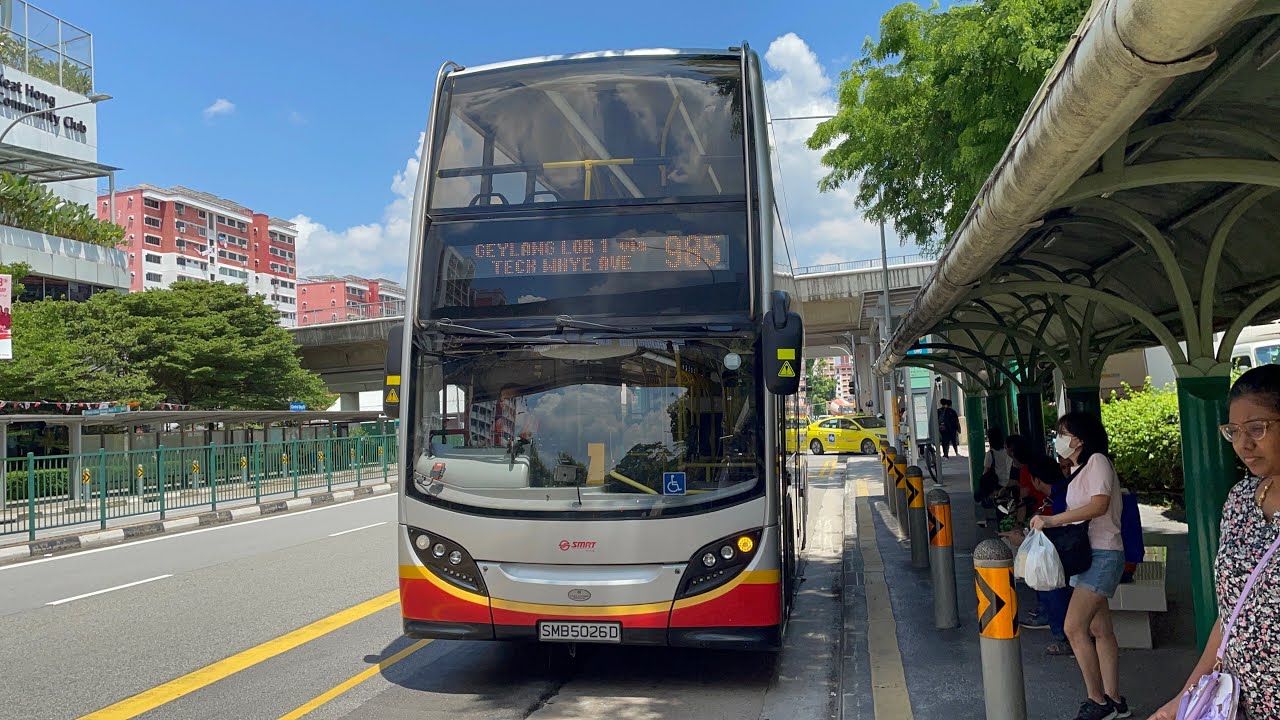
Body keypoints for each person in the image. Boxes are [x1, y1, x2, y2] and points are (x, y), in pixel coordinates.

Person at [1149, 364, 1280, 720]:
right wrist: (1184, 698)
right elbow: (1230, 615)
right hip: (1236, 705)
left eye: (1257, 428)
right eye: (1234, 431)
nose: (1243, 444)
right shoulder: (1240, 500)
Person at [1029, 412, 1128, 719]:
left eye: (1063, 433)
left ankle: (1097, 701)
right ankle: (1114, 699)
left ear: (1080, 439)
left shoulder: (1097, 462)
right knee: (1100, 629)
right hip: (1089, 555)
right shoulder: (1080, 468)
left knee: (1073, 627)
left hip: (1103, 554)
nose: (1058, 438)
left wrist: (1052, 520)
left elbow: (1098, 505)